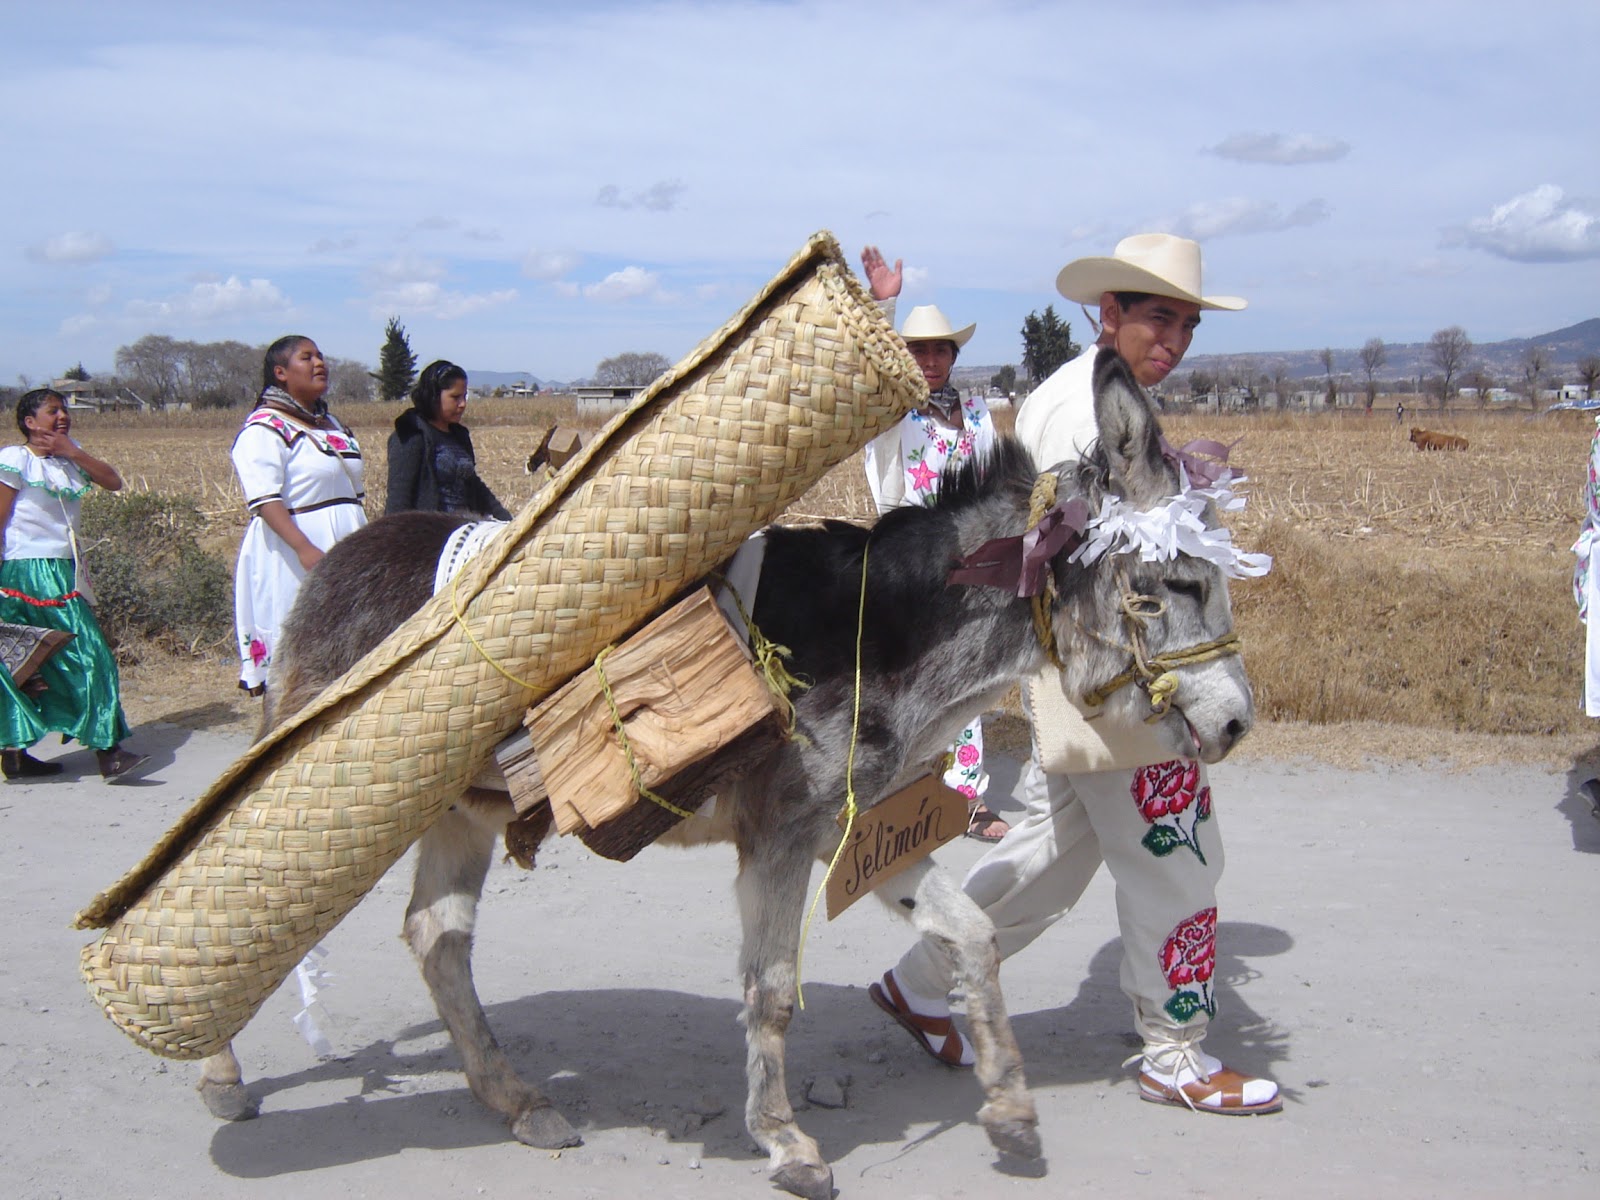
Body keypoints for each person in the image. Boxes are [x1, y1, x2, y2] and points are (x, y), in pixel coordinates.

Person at [870, 233, 1282, 1115]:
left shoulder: (1085, 392)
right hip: (1125, 682)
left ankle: (918, 983)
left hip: (1078, 679)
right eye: (1156, 318)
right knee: (1180, 862)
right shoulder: (1097, 410)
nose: (1172, 340)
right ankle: (1175, 1051)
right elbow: (1112, 567)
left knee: (1051, 851)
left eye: (1186, 324)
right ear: (1110, 314)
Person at [860, 246, 1007, 840]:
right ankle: (904, 799)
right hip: (913, 568)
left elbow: (997, 482)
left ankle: (965, 802)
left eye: (940, 349)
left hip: (971, 567)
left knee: (967, 683)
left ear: (955, 355)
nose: (930, 359)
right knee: (910, 685)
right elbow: (868, 370)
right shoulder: (893, 413)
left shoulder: (975, 414)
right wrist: (884, 305)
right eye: (918, 349)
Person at [0, 388, 147, 779]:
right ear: (30, 423)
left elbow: (113, 482)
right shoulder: (15, 461)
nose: (62, 416)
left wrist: (71, 450)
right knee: (87, 653)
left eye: (64, 410)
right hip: (29, 570)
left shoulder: (71, 458)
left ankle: (15, 754)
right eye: (53, 411)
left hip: (66, 568)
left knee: (38, 660)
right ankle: (108, 751)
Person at [231, 336, 366, 695]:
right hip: (294, 550)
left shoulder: (331, 423)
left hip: (346, 543)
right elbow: (265, 499)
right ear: (281, 373)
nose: (319, 363)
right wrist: (305, 549)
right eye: (306, 358)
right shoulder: (264, 428)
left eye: (320, 356)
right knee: (299, 648)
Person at [385, 360, 512, 519]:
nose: (463, 404)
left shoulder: (459, 436)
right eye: (455, 397)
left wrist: (508, 521)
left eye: (464, 396)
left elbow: (475, 487)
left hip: (463, 533)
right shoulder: (411, 436)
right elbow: (398, 499)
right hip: (429, 534)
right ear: (433, 396)